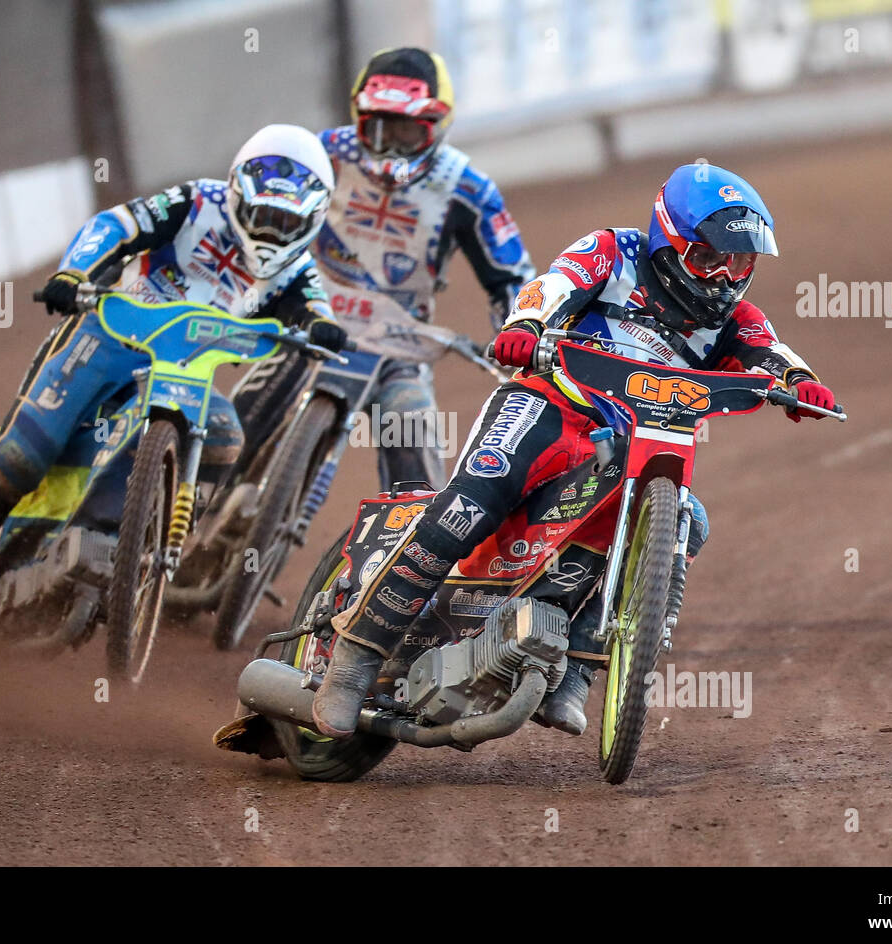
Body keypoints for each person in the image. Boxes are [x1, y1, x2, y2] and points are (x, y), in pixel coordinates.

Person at [311, 163, 839, 739]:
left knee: (688, 523)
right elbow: (552, 285)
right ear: (669, 241)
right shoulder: (614, 252)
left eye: (739, 264)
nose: (723, 278)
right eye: (708, 258)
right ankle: (356, 658)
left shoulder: (735, 319)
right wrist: (527, 324)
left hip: (630, 446)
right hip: (548, 407)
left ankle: (578, 676)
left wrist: (801, 383)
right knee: (468, 504)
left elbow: (773, 353)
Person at [0, 124, 346, 633]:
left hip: (184, 372)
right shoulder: (196, 202)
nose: (271, 233)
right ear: (235, 192)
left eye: (287, 222)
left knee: (224, 438)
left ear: (312, 219)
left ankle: (134, 548)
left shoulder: (297, 272)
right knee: (20, 457)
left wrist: (323, 327)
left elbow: (317, 309)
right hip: (109, 336)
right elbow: (114, 226)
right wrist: (75, 272)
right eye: (263, 216)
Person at [236, 47, 534, 490]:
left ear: (436, 129)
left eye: (406, 133)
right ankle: (179, 501)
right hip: (311, 316)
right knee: (239, 416)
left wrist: (523, 333)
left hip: (397, 343)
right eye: (378, 130)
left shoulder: (467, 188)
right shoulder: (323, 154)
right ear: (358, 119)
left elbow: (512, 277)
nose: (391, 147)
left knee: (413, 443)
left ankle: (413, 551)